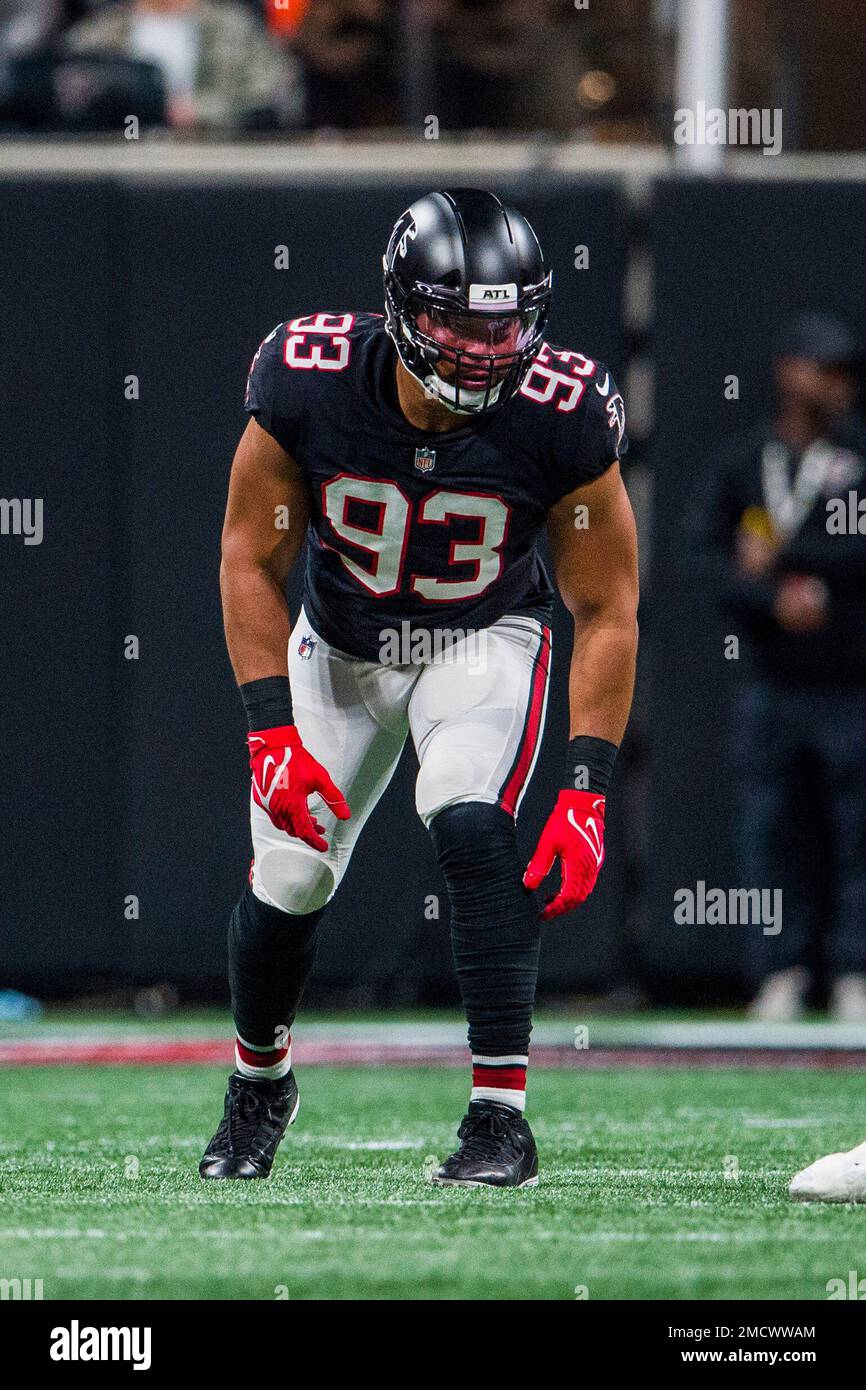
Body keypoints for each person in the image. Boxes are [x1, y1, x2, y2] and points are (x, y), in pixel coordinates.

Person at [200, 188, 638, 1188]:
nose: (485, 346)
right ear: (401, 306)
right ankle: (258, 1080)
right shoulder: (307, 379)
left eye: (505, 320)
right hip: (340, 649)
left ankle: (499, 1119)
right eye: (457, 319)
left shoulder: (563, 411)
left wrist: (585, 787)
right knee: (292, 877)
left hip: (480, 637)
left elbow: (605, 607)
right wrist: (270, 733)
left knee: (469, 819)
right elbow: (245, 560)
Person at [688, 312, 866, 1021]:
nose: (839, 386)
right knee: (771, 828)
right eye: (825, 370)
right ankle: (781, 967)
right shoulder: (744, 462)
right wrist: (767, 599)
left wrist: (793, 568)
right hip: (771, 682)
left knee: (858, 833)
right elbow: (699, 557)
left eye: (846, 373)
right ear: (791, 371)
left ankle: (855, 967)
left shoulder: (860, 462)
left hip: (852, 680)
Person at [63, 0, 302, 130]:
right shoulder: (97, 34)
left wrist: (199, 112)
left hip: (218, 165)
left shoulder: (236, 28)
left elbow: (279, 96)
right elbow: (65, 94)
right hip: (117, 166)